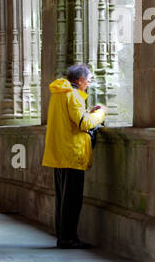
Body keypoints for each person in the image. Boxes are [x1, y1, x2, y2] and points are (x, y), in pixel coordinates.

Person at [41, 63, 106, 249]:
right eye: (88, 80)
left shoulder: (59, 94)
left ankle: (64, 236)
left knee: (63, 199)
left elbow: (72, 119)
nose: (89, 83)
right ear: (79, 80)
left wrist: (87, 113)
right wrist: (100, 114)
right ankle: (68, 239)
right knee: (72, 200)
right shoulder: (74, 96)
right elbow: (84, 124)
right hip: (72, 153)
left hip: (60, 152)